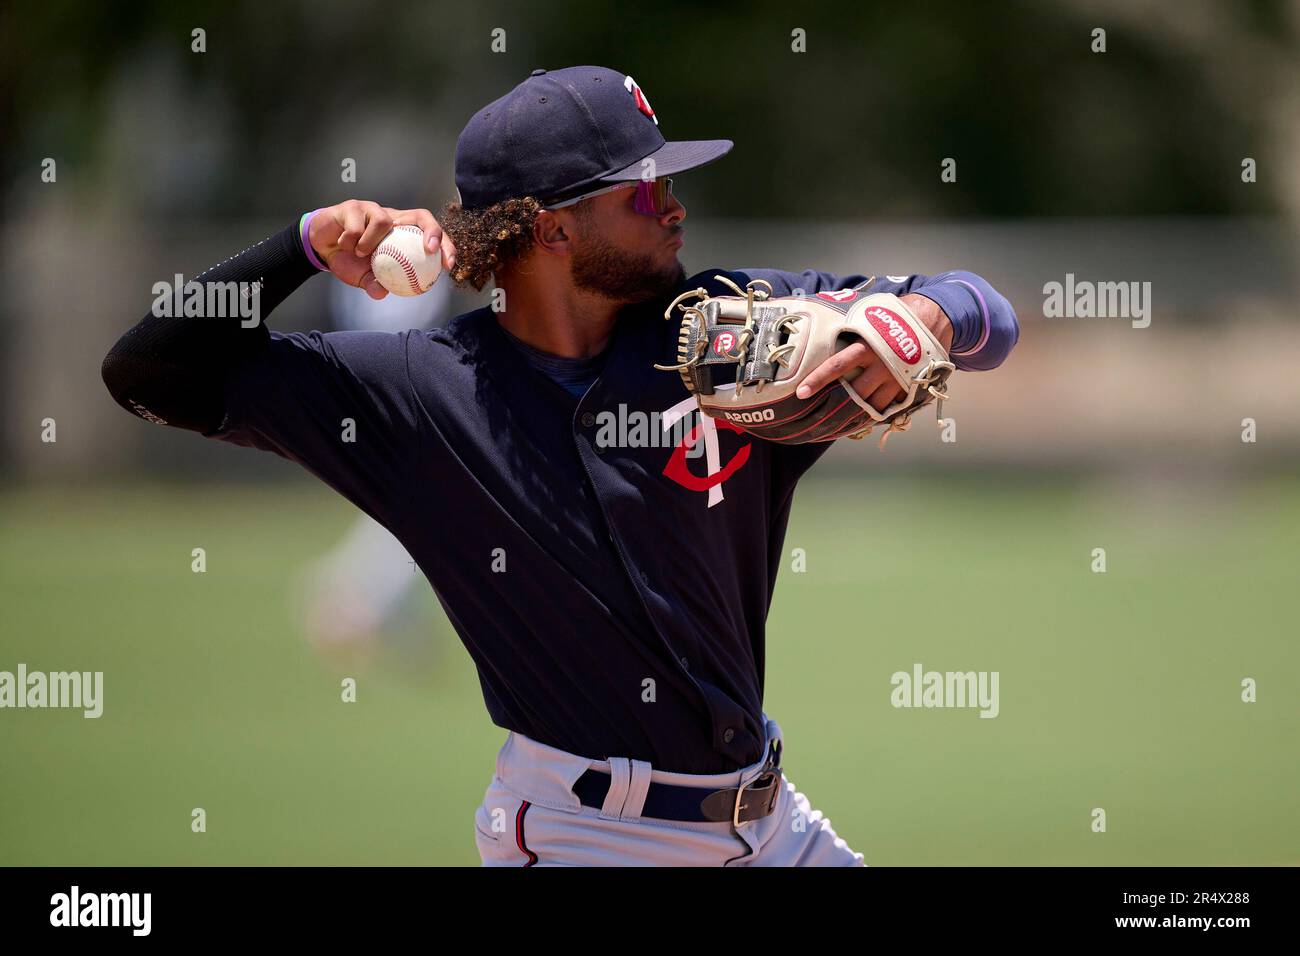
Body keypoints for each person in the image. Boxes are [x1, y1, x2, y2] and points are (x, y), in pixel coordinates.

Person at [102, 65, 1019, 866]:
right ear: (549, 229)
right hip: (590, 839)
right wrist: (302, 244)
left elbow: (986, 312)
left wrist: (937, 317)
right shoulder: (417, 394)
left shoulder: (729, 327)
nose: (674, 204)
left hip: (773, 828)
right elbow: (146, 373)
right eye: (641, 189)